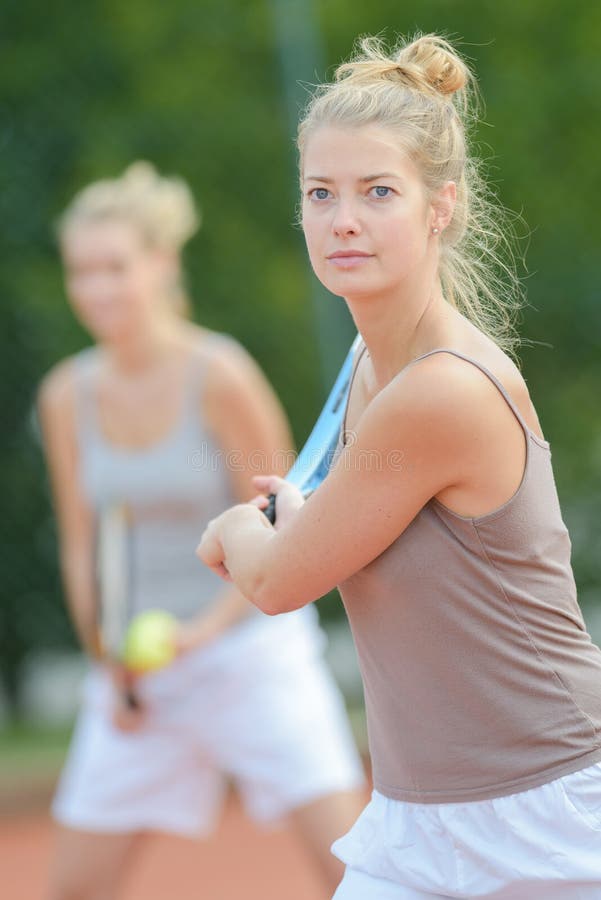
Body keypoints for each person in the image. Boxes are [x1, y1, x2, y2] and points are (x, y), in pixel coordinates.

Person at [196, 33, 601, 900]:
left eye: (378, 192)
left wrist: (237, 528)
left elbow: (274, 583)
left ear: (438, 208)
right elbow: (352, 532)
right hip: (417, 819)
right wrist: (297, 531)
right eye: (320, 193)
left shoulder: (440, 391)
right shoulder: (365, 366)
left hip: (553, 814)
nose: (343, 218)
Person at [38, 162, 366, 900]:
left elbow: (279, 519)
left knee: (358, 876)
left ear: (160, 264)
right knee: (73, 891)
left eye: (115, 267)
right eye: (81, 271)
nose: (96, 289)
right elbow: (80, 540)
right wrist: (104, 653)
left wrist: (205, 633)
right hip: (138, 679)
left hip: (252, 652)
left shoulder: (220, 375)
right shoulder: (65, 394)